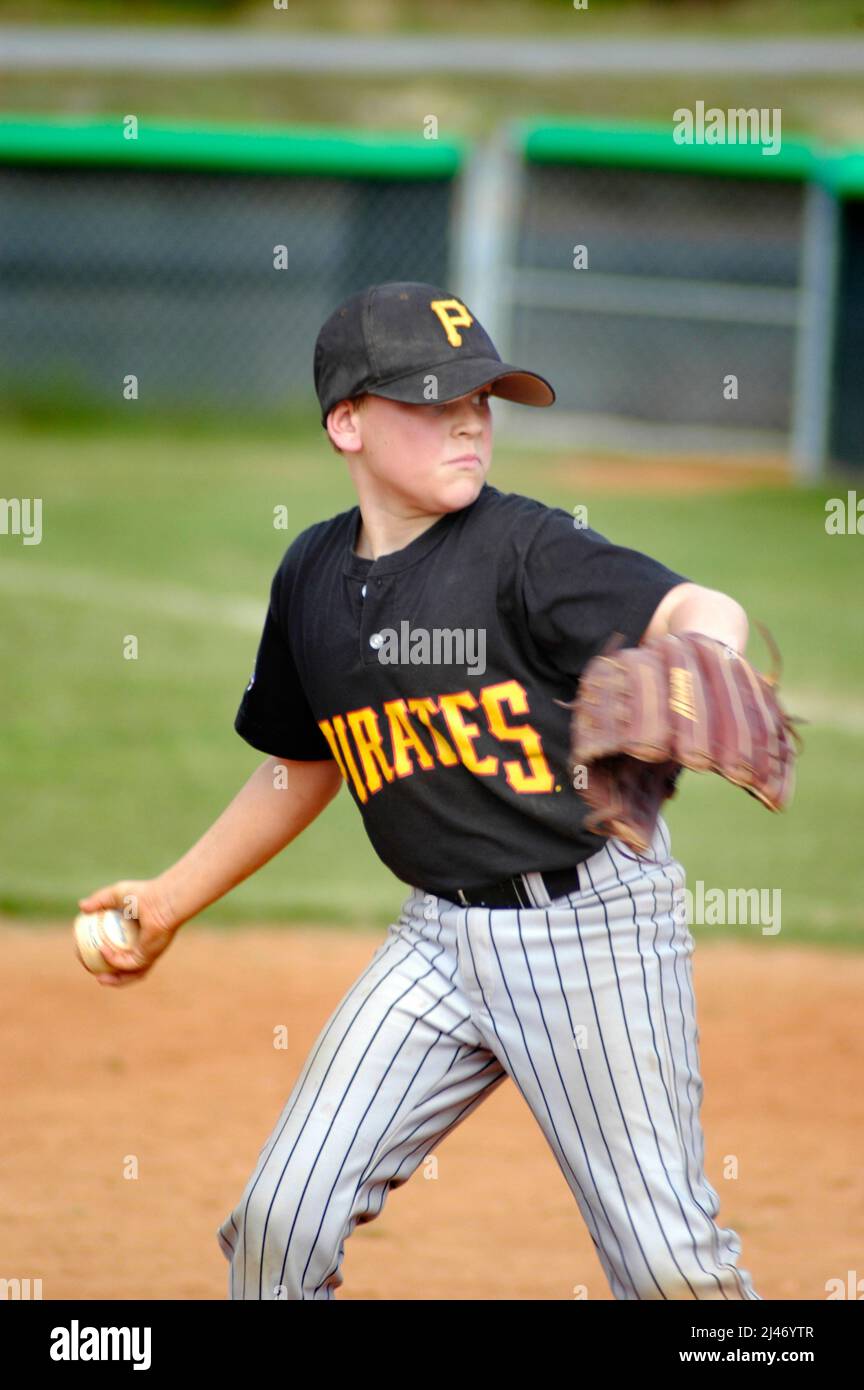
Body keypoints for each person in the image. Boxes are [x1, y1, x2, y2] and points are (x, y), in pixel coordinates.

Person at [78, 281, 760, 1301]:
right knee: (279, 1224)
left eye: (481, 397)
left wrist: (701, 655)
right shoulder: (310, 574)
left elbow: (700, 605)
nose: (470, 418)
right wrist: (171, 898)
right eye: (433, 398)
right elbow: (304, 759)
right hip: (435, 940)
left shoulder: (526, 549)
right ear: (345, 422)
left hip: (591, 931)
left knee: (669, 1269)